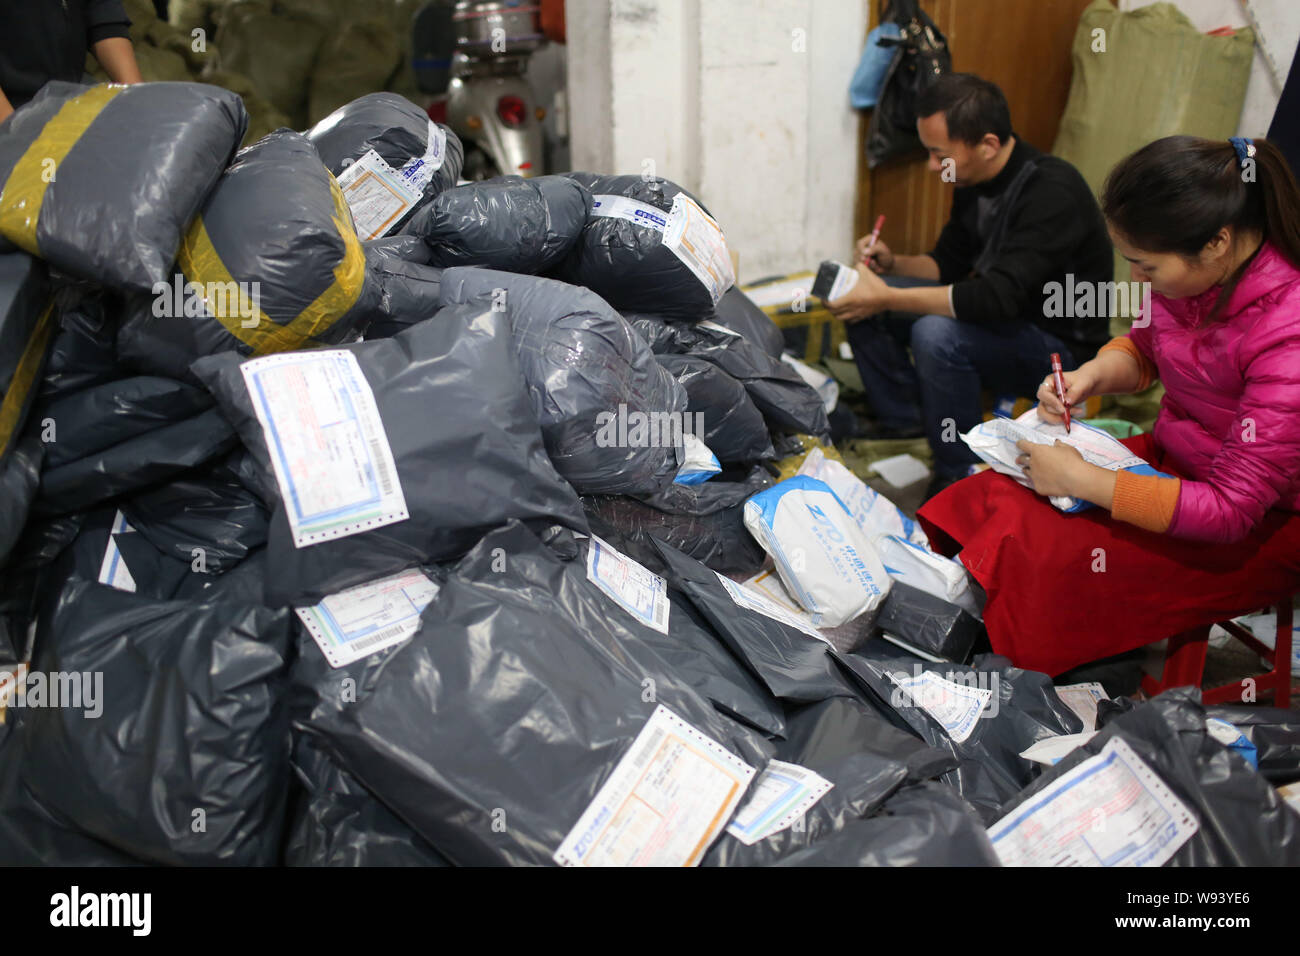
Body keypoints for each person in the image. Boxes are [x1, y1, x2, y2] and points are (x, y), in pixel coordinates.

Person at [917, 135, 1300, 678]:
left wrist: (1084, 480)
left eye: (1146, 267)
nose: (1137, 280)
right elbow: (1145, 350)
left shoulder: (1288, 338)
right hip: (1179, 463)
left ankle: (1013, 668)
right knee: (997, 491)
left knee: (1042, 548)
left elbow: (1230, 513)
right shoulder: (1195, 279)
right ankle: (970, 634)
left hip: (1264, 524)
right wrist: (1088, 376)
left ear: (1216, 243)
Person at [828, 73, 1113, 500]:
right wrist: (892, 267)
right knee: (862, 296)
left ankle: (956, 470)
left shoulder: (1052, 192)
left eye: (937, 154)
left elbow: (996, 298)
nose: (930, 166)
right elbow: (946, 266)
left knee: (935, 333)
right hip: (1005, 321)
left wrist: (885, 295)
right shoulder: (970, 180)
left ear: (988, 145)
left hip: (1061, 353)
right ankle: (906, 421)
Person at [0, 1, 142, 124]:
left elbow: (101, 10)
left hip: (68, 97)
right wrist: (12, 133)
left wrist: (137, 96)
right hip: (13, 108)